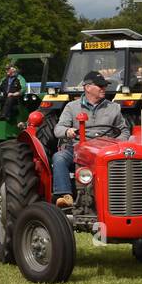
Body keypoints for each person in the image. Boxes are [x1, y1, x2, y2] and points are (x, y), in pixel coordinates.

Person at [51, 71, 130, 207]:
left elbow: (124, 130)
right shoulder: (71, 107)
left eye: (104, 86)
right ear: (87, 87)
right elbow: (58, 129)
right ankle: (65, 195)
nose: (104, 89)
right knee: (59, 158)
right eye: (100, 86)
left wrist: (118, 143)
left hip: (106, 149)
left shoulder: (114, 108)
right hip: (77, 148)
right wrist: (68, 131)